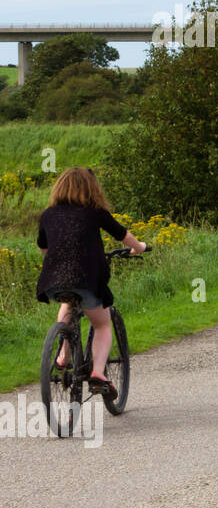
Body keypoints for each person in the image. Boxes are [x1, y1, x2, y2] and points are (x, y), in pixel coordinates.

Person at [35, 167, 147, 398]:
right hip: (86, 278)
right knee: (102, 324)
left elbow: (44, 248)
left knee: (67, 303)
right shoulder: (94, 211)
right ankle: (97, 373)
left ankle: (63, 355)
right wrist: (139, 247)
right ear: (90, 188)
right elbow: (123, 235)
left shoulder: (48, 214)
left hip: (53, 279)